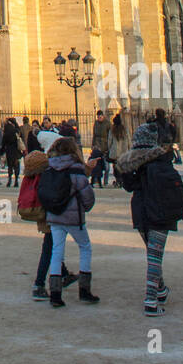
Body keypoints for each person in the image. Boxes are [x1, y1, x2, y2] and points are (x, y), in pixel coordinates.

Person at [117, 122, 183, 316]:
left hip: (140, 212)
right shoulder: (162, 160)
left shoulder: (131, 165)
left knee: (153, 254)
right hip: (159, 211)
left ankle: (161, 290)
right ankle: (150, 300)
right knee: (154, 257)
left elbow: (128, 186)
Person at [42, 137, 100, 307]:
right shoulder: (76, 169)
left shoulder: (49, 167)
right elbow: (87, 195)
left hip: (54, 216)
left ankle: (55, 294)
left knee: (57, 252)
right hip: (74, 217)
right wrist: (86, 207)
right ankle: (84, 290)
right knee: (85, 247)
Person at [19, 147, 78, 300]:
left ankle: (64, 274)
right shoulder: (45, 175)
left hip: (40, 213)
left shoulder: (30, 177)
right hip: (49, 214)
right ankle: (38, 284)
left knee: (53, 245)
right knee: (49, 247)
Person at [107, 111, 129, 186]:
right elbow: (128, 139)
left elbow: (109, 141)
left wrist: (109, 149)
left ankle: (118, 179)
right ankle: (122, 179)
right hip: (124, 150)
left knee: (115, 166)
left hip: (115, 151)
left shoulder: (112, 130)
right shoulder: (124, 130)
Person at [91, 109, 111, 186]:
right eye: (98, 116)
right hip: (97, 145)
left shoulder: (108, 124)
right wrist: (93, 145)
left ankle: (105, 181)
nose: (99, 118)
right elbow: (94, 135)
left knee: (106, 166)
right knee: (96, 164)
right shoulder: (96, 123)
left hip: (105, 146)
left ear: (103, 116)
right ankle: (96, 180)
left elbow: (110, 135)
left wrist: (109, 146)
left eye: (100, 116)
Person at [2, 116, 22, 187]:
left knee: (10, 166)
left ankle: (9, 180)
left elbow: (3, 143)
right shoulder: (16, 131)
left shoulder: (6, 131)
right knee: (16, 166)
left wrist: (2, 152)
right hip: (16, 151)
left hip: (9, 151)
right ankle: (16, 180)